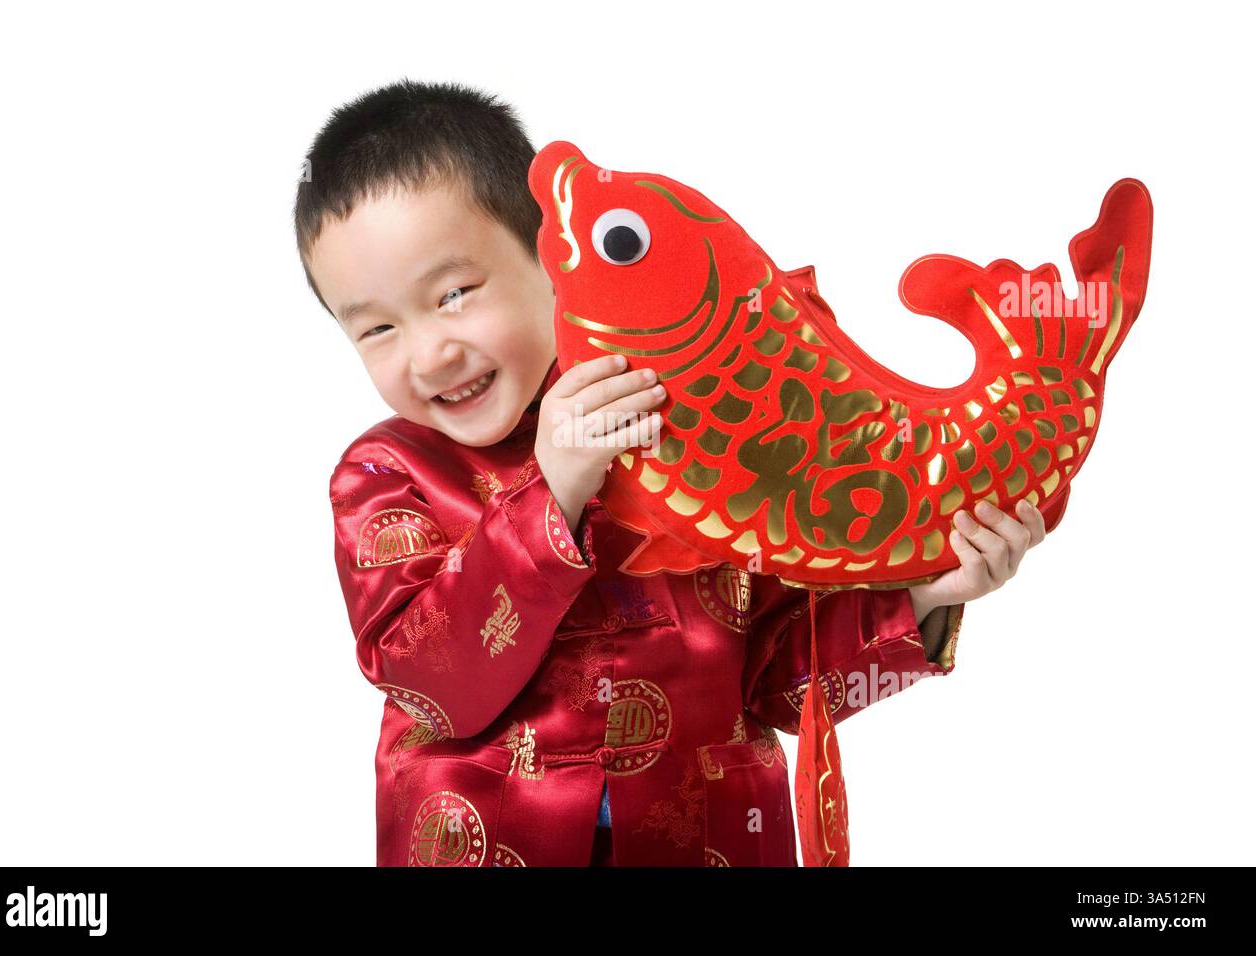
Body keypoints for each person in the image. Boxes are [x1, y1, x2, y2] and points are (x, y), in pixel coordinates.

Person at [293, 79, 1046, 866]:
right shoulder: (384, 473)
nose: (429, 352)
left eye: (454, 294)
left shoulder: (692, 423)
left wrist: (923, 593)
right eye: (377, 328)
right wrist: (551, 485)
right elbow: (431, 685)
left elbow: (780, 681)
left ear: (553, 263)